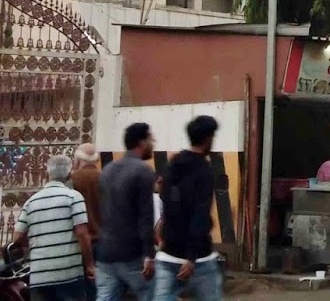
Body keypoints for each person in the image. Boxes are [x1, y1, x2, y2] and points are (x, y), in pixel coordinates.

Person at [156, 116, 222, 301]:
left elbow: (167, 205)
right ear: (208, 138)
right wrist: (191, 257)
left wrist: (163, 236)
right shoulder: (204, 170)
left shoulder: (172, 165)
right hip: (198, 259)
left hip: (168, 254)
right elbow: (200, 213)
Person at [16, 155, 94, 301]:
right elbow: (82, 234)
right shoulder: (73, 197)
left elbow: (18, 237)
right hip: (68, 275)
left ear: (47, 174)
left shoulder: (31, 202)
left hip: (39, 276)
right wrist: (89, 265)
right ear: (70, 175)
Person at [96, 123, 156, 301]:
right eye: (151, 139)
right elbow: (146, 216)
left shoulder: (107, 170)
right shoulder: (143, 171)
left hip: (105, 254)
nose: (153, 143)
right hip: (131, 254)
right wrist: (149, 254)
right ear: (142, 142)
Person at [72, 144, 103, 241]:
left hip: (81, 240)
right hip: (106, 240)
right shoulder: (108, 177)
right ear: (97, 160)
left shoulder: (72, 179)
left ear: (77, 160)